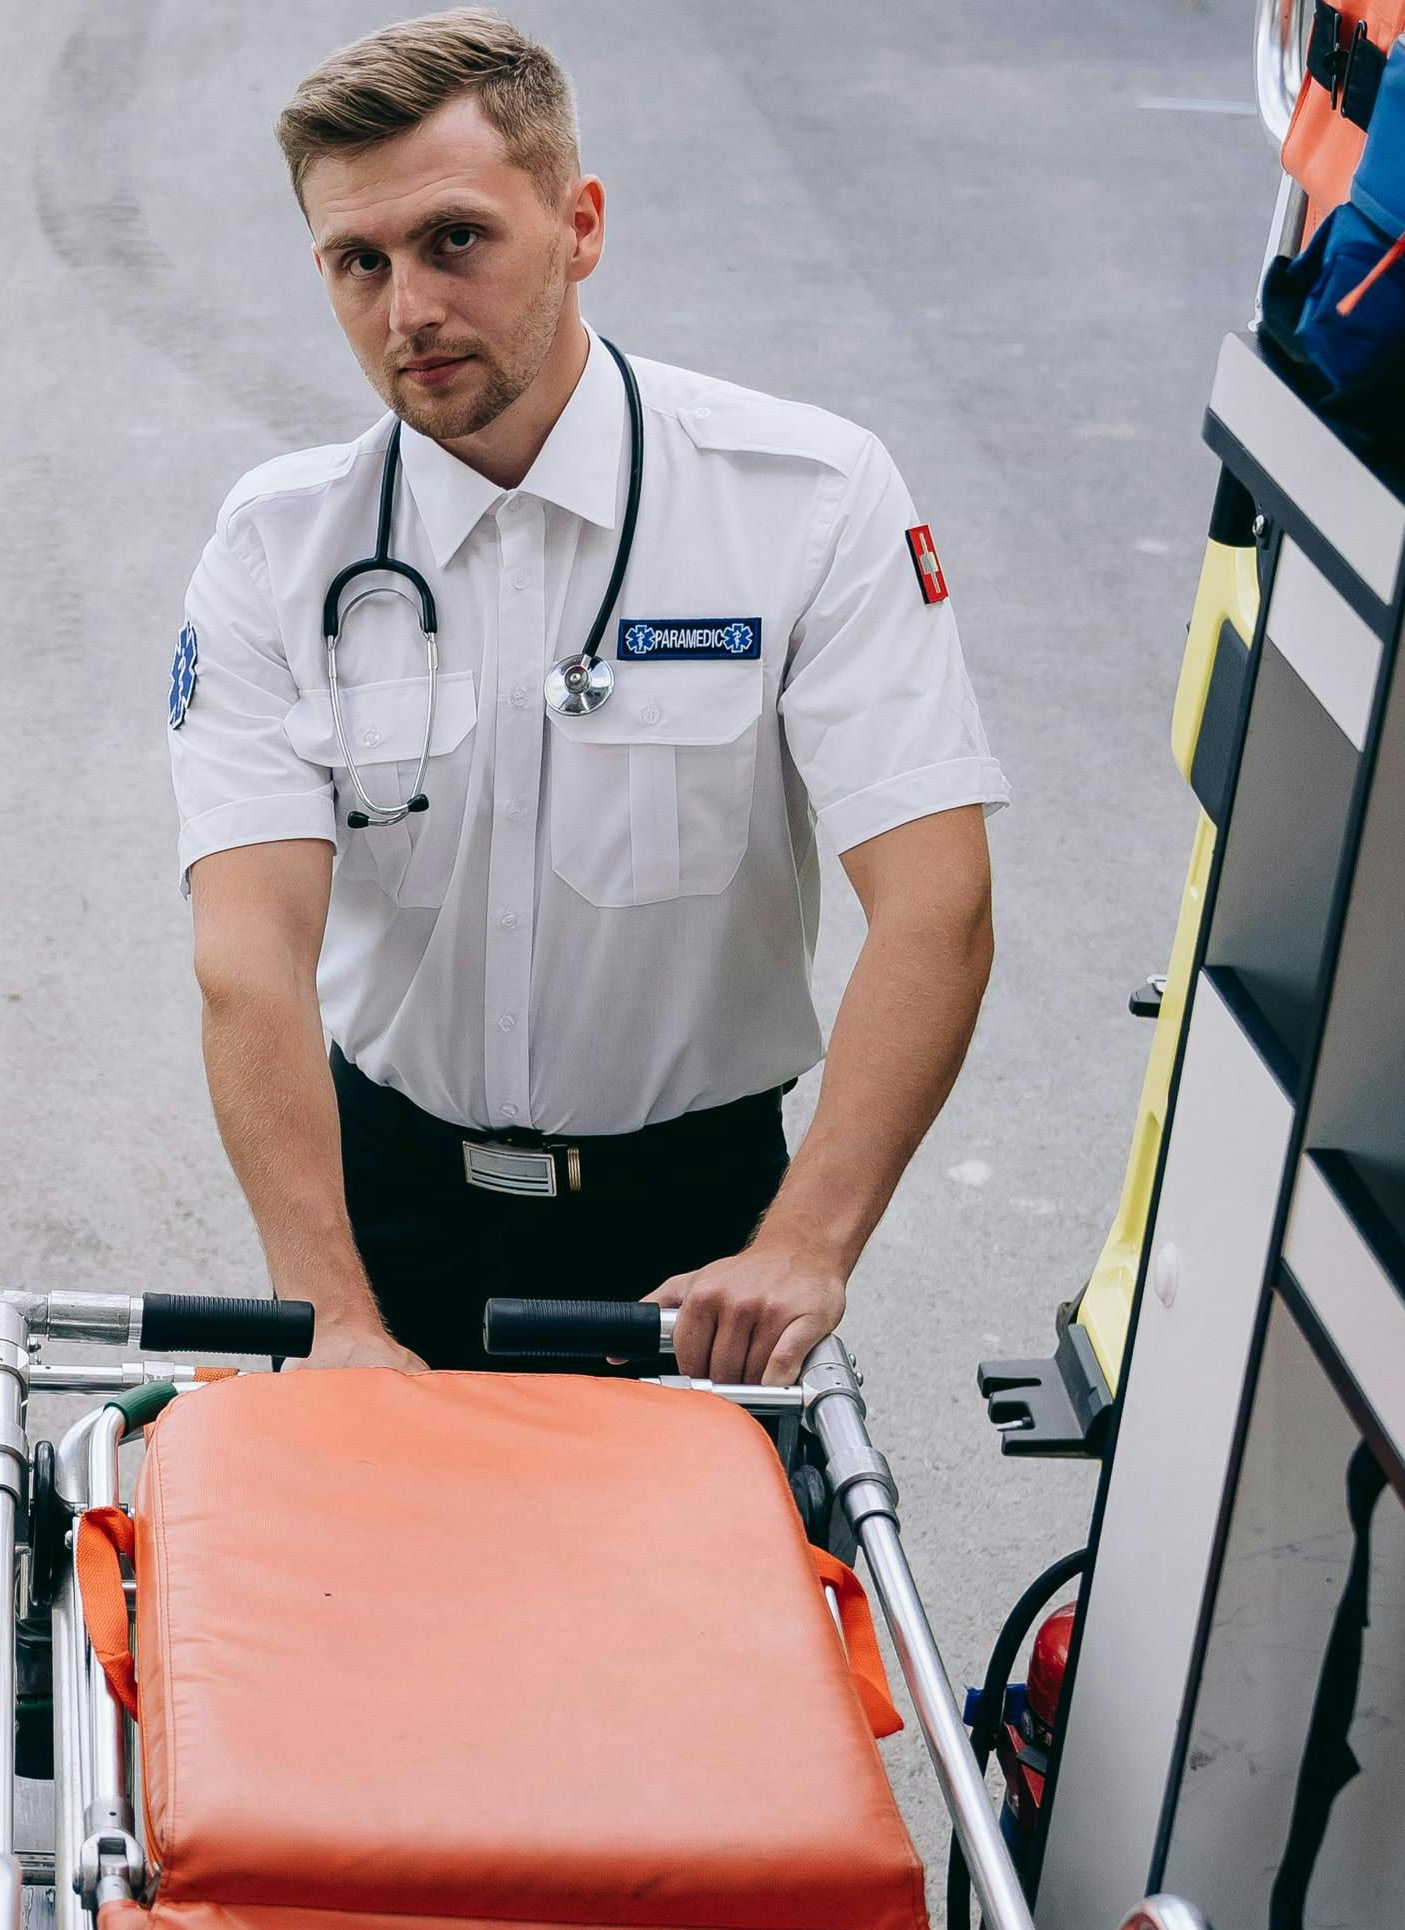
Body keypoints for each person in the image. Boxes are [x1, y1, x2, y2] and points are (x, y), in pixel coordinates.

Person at [174, 12, 1005, 1381]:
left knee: (692, 1596)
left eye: (457, 239)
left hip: (692, 1238)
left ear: (579, 223)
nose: (409, 310)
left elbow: (938, 902)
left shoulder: (804, 500)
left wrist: (806, 1244)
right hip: (380, 1215)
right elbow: (247, 952)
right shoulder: (280, 548)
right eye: (357, 262)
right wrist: (331, 1311)